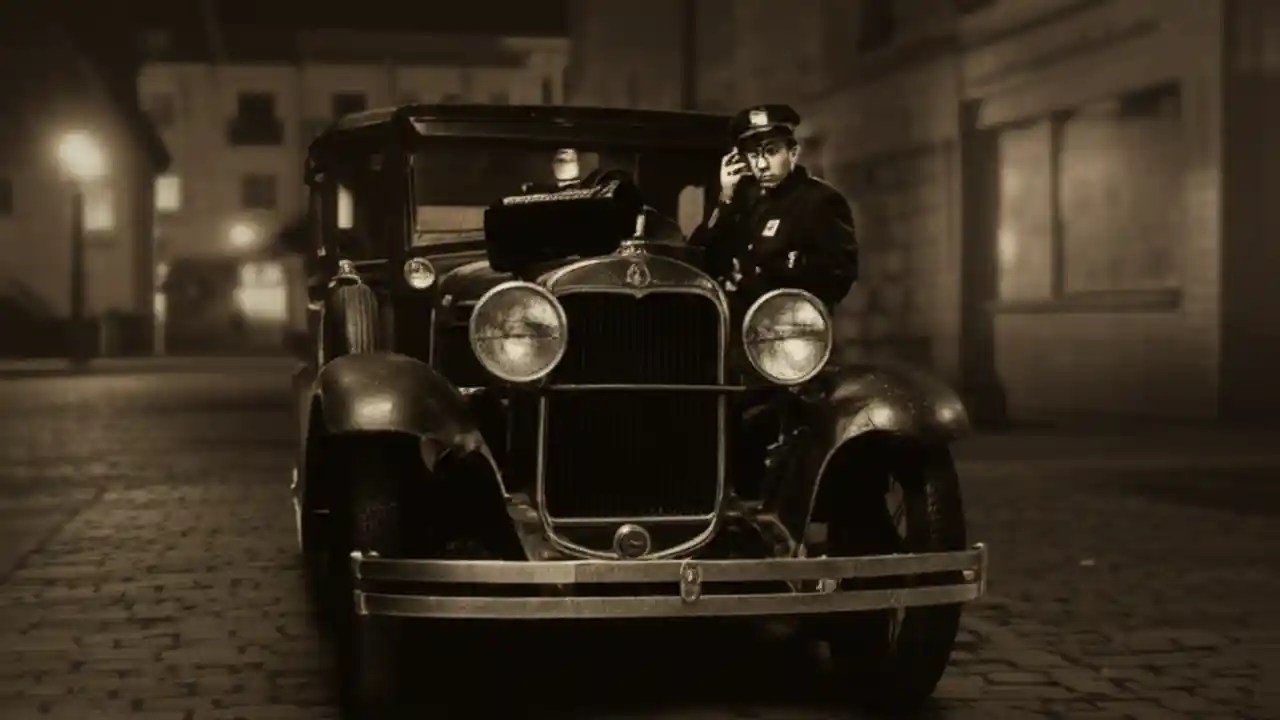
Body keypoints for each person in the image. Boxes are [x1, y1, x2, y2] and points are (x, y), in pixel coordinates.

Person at [689, 104, 858, 314]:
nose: (761, 164)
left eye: (771, 151)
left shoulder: (820, 200)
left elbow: (839, 275)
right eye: (752, 155)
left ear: (792, 153)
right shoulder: (740, 203)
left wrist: (760, 277)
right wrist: (726, 198)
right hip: (733, 329)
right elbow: (698, 258)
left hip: (788, 331)